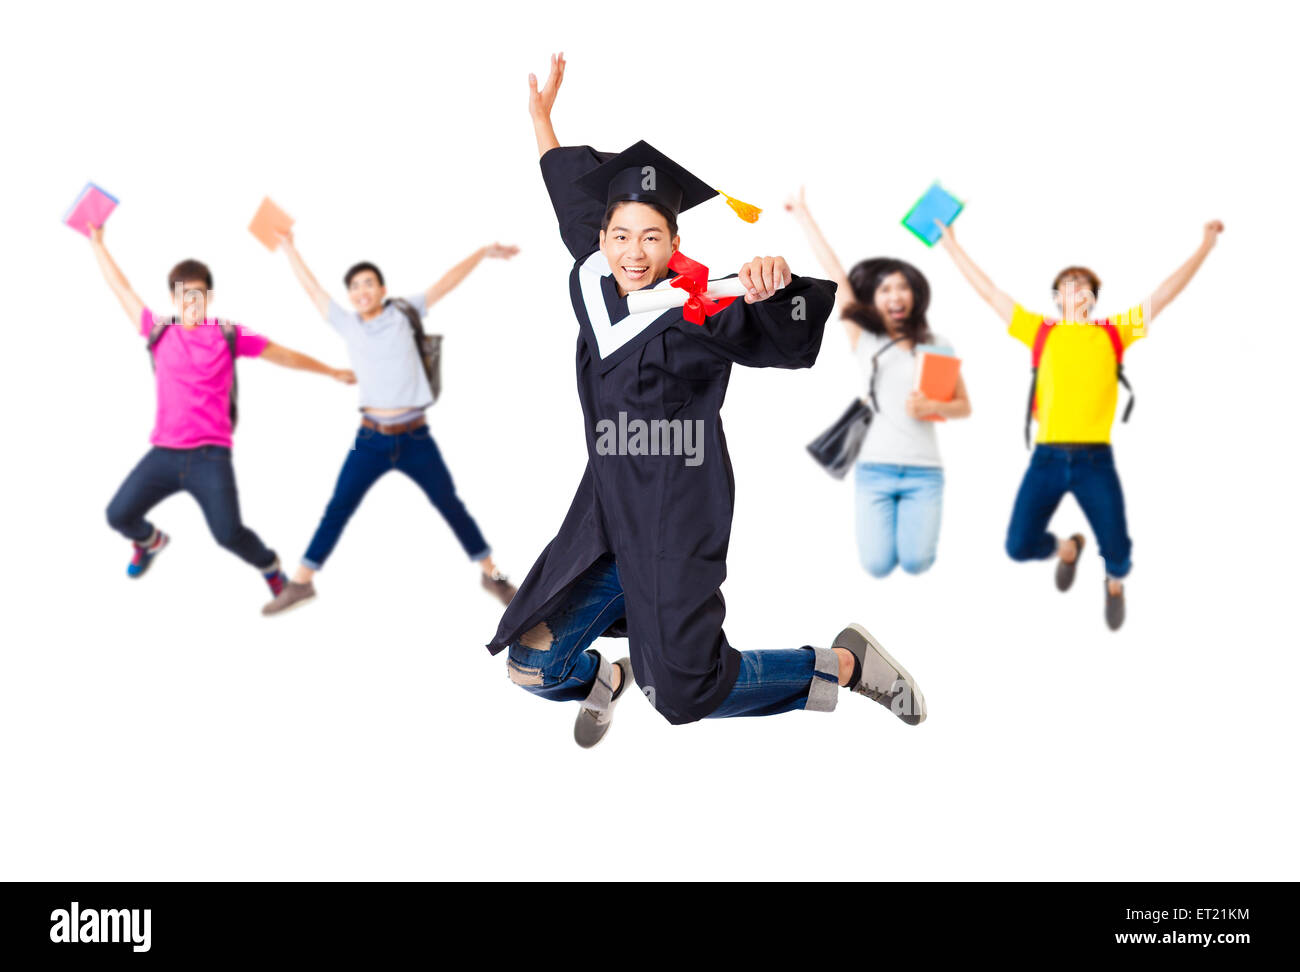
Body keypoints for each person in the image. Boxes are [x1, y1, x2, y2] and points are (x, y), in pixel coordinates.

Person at [486, 53, 929, 748]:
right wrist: (543, 121)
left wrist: (770, 282)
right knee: (534, 664)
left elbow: (778, 317)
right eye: (622, 235)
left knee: (682, 694)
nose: (635, 252)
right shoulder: (593, 280)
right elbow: (573, 199)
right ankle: (606, 678)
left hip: (671, 518)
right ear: (603, 240)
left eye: (652, 237)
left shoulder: (701, 307)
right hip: (604, 517)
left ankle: (843, 664)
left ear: (674, 243)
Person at [936, 216, 1224, 629]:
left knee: (1120, 554)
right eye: (1067, 282)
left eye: (1083, 282)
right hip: (1046, 460)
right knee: (1018, 546)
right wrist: (951, 245)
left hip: (1095, 462)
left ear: (1092, 296)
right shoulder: (1039, 331)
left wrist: (1204, 246)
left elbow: (1164, 294)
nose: (1076, 286)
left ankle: (1114, 583)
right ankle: (1068, 549)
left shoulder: (1114, 332)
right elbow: (989, 292)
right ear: (1057, 296)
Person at [89, 224, 355, 605]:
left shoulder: (228, 334)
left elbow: (283, 355)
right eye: (184, 295)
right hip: (163, 453)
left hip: (210, 456)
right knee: (117, 515)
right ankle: (151, 542)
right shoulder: (158, 330)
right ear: (174, 297)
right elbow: (122, 288)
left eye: (197, 295)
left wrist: (330, 371)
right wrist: (98, 243)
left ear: (208, 296)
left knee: (228, 534)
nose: (191, 302)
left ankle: (270, 567)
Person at [261, 229, 520, 615]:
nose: (361, 290)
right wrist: (288, 248)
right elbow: (312, 290)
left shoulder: (403, 311)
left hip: (416, 438)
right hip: (371, 440)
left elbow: (445, 283)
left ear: (382, 288)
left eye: (368, 283)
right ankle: (300, 582)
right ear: (350, 296)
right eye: (354, 286)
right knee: (338, 508)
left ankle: (492, 575)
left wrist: (482, 252)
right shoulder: (349, 325)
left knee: (450, 505)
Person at [786, 187, 971, 577]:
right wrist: (803, 215)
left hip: (924, 472)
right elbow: (837, 275)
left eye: (902, 287)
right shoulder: (867, 340)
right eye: (885, 288)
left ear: (915, 295)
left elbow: (960, 405)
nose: (895, 294)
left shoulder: (936, 345)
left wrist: (931, 407)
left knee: (918, 563)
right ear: (876, 299)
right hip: (874, 471)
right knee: (877, 565)